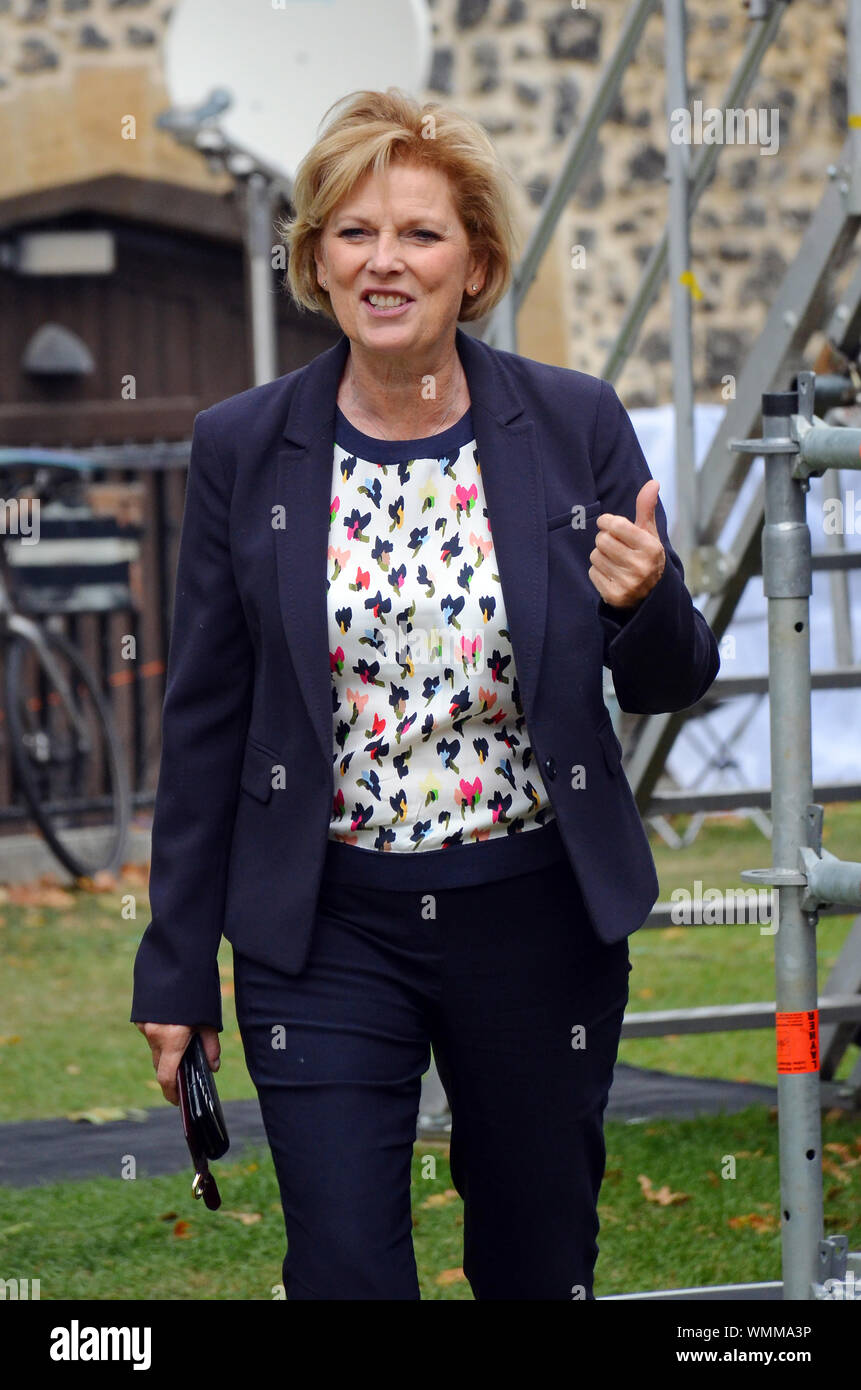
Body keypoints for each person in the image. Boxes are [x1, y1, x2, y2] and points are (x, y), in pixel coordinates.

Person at [132, 87, 720, 1301]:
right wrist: (176, 975)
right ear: (315, 261)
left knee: (535, 1258)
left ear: (477, 262)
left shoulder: (570, 422)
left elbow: (673, 678)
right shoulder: (244, 444)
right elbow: (203, 728)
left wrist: (644, 597)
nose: (383, 261)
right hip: (325, 926)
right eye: (352, 232)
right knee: (344, 1265)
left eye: (418, 233)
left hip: (535, 916)